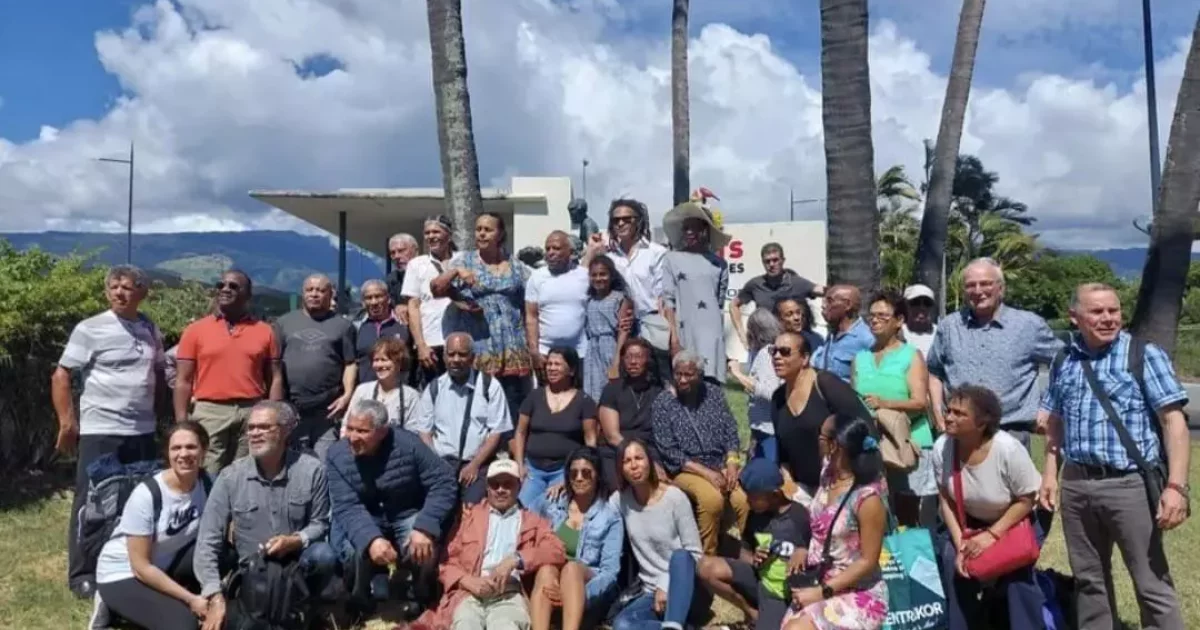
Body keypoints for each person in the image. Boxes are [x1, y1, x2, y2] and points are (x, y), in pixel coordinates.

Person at [1039, 283, 1190, 630]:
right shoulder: (1064, 359)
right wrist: (1050, 474)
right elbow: (1054, 421)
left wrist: (1176, 486)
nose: (1108, 318)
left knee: (1151, 582)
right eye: (1097, 312)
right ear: (1074, 317)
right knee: (1089, 581)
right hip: (1077, 484)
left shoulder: (1142, 354)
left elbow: (1174, 423)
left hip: (1129, 485)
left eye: (1114, 310)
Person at [53, 265, 166, 598]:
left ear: (142, 292)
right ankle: (83, 574)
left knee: (136, 501)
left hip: (142, 430)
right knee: (92, 501)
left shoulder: (149, 328)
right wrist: (67, 422)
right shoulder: (90, 328)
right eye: (114, 287)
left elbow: (158, 373)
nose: (119, 292)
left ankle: (125, 565)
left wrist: (158, 416)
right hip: (101, 428)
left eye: (127, 287)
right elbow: (61, 376)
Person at [193, 401, 338, 630]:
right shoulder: (230, 477)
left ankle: (310, 608)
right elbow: (207, 541)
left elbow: (320, 523)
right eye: (251, 428)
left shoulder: (312, 470)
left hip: (298, 562)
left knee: (324, 555)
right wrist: (215, 596)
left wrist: (295, 540)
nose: (255, 433)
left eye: (264, 427)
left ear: (284, 430)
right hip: (252, 570)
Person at [325, 398, 459, 615]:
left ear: (382, 431)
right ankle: (360, 597)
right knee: (352, 549)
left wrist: (425, 526)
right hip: (365, 514)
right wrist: (371, 538)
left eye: (362, 431)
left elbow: (443, 482)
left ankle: (421, 594)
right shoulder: (336, 455)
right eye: (350, 428)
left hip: (405, 511)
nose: (352, 437)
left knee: (425, 547)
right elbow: (346, 505)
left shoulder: (409, 444)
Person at [933, 386, 1044, 629]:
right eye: (948, 410)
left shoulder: (1008, 449)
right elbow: (946, 499)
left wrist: (991, 536)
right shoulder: (942, 447)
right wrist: (960, 541)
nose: (949, 417)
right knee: (953, 561)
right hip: (968, 524)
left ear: (982, 423)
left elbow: (1027, 499)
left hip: (1014, 521)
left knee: (1017, 579)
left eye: (959, 414)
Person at [412, 456, 567, 630]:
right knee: (466, 625)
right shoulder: (469, 518)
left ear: (519, 486)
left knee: (505, 626)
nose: (500, 490)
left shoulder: (533, 521)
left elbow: (557, 550)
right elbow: (446, 563)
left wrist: (516, 559)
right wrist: (467, 580)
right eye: (495, 484)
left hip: (508, 595)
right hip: (469, 594)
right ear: (487, 488)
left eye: (507, 484)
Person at [925, 257, 1063, 449]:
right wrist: (939, 416)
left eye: (986, 284)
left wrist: (1049, 406)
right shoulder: (949, 326)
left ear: (1001, 288)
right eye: (970, 285)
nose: (978, 291)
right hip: (959, 434)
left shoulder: (1028, 325)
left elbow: (1066, 363)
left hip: (1012, 433)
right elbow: (934, 371)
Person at [92, 422, 210, 630]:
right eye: (176, 448)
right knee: (185, 625)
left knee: (224, 553)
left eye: (191, 447)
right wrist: (191, 599)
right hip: (124, 571)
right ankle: (108, 601)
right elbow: (141, 568)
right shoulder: (148, 494)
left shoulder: (207, 483)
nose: (184, 454)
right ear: (168, 454)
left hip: (165, 561)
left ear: (204, 450)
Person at [781, 413, 888, 630]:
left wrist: (822, 592)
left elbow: (867, 562)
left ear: (834, 446)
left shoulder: (867, 498)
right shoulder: (828, 473)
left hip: (857, 592)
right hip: (819, 579)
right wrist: (804, 548)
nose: (816, 440)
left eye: (820, 436)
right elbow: (821, 524)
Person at [175, 270, 284, 475]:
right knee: (208, 472)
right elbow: (183, 380)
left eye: (233, 286)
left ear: (248, 295)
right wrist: (182, 423)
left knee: (248, 472)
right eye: (221, 285)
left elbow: (275, 376)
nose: (225, 289)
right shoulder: (195, 330)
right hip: (210, 411)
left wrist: (274, 414)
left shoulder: (265, 331)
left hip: (252, 410)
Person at [432, 212, 533, 420]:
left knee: (513, 400)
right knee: (482, 397)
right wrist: (457, 272)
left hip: (513, 344)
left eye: (488, 230)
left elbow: (532, 299)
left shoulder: (515, 265)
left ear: (500, 234)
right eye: (478, 229)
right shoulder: (465, 261)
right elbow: (436, 289)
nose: (482, 234)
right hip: (480, 342)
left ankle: (511, 445)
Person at [851, 290, 934, 528]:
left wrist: (884, 404)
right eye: (872, 315)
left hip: (906, 447)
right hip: (872, 447)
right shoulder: (861, 358)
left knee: (910, 519)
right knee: (877, 515)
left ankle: (916, 564)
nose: (874, 320)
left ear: (899, 321)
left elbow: (920, 402)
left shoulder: (911, 356)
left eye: (883, 316)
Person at [698, 458, 812, 630]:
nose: (747, 502)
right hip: (762, 581)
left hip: (783, 592)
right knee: (706, 567)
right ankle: (753, 613)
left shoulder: (799, 517)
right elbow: (745, 548)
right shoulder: (755, 515)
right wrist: (754, 557)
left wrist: (804, 551)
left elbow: (819, 556)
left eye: (753, 497)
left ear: (774, 494)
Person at [652, 351, 747, 555]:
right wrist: (706, 473)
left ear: (700, 375)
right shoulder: (663, 403)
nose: (683, 380)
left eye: (689, 375)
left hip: (719, 464)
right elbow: (669, 451)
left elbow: (730, 429)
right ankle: (706, 557)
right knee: (712, 499)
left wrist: (731, 463)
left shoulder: (713, 393)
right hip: (687, 469)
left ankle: (749, 554)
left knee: (743, 500)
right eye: (678, 374)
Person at [610, 439, 704, 630]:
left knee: (681, 555)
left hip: (683, 585)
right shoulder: (621, 500)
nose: (634, 465)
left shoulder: (675, 498)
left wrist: (666, 583)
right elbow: (597, 516)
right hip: (649, 591)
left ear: (650, 462)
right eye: (627, 461)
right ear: (621, 469)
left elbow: (694, 553)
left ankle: (674, 623)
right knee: (622, 625)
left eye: (639, 458)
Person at [410, 332, 513, 503]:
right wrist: (436, 462)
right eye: (451, 354)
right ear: (444, 357)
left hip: (477, 464)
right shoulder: (434, 388)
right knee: (439, 509)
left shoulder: (490, 386)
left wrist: (475, 465)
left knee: (471, 511)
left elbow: (496, 432)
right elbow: (424, 431)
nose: (456, 359)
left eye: (462, 354)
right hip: (442, 463)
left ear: (472, 357)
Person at [771, 332, 872, 506]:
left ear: (804, 358)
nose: (777, 357)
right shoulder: (778, 398)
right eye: (773, 351)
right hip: (802, 490)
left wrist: (848, 481)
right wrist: (788, 481)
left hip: (841, 485)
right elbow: (783, 451)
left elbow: (864, 428)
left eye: (785, 351)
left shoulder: (826, 384)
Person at [531, 448, 624, 630]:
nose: (579, 478)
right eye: (573, 473)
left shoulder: (610, 516)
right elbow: (524, 517)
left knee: (572, 569)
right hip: (553, 583)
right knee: (546, 570)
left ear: (597, 475)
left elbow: (609, 572)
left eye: (586, 473)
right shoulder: (553, 503)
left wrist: (575, 594)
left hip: (589, 588)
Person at [274, 273, 357, 458]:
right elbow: (275, 365)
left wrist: (347, 395)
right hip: (293, 409)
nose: (314, 294)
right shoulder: (284, 323)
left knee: (325, 463)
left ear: (330, 294)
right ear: (303, 293)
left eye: (320, 290)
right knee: (293, 463)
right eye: (310, 290)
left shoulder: (343, 326)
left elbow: (350, 363)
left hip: (327, 410)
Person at [512, 347, 599, 514]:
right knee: (521, 510)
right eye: (549, 364)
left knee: (554, 508)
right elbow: (520, 432)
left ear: (572, 370)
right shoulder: (534, 397)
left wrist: (572, 478)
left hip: (563, 470)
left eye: (557, 364)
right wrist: (519, 465)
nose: (551, 368)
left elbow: (590, 440)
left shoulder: (584, 401)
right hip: (533, 470)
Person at [661, 200, 731, 383]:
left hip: (711, 332)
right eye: (686, 228)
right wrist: (674, 338)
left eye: (695, 227)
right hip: (684, 331)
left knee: (710, 383)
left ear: (706, 230)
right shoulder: (671, 259)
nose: (690, 232)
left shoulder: (719, 265)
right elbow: (668, 301)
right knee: (684, 381)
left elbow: (719, 302)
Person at [606, 198, 671, 382]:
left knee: (657, 382)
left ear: (639, 220)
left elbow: (663, 295)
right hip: (619, 330)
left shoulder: (656, 253)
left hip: (651, 328)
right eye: (616, 219)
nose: (620, 223)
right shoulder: (608, 257)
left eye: (627, 219)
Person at [597, 338, 666, 489]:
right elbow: (612, 436)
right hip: (618, 450)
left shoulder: (659, 392)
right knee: (619, 486)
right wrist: (637, 457)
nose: (633, 361)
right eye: (628, 357)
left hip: (651, 451)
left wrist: (649, 459)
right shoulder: (612, 390)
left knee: (661, 486)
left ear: (648, 360)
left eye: (638, 356)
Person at [730, 243, 825, 351]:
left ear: (782, 260)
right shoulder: (755, 284)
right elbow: (734, 305)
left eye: (775, 260)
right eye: (767, 261)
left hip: (791, 346)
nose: (771, 264)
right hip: (765, 346)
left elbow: (821, 290)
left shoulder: (796, 282)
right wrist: (742, 337)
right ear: (763, 262)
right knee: (760, 316)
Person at [401, 216, 459, 387]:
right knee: (432, 394)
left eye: (436, 232)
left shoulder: (463, 260)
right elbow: (413, 306)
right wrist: (420, 345)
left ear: (448, 235)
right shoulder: (416, 265)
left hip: (459, 342)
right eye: (427, 233)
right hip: (431, 343)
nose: (430, 236)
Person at [525, 231, 591, 376]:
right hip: (545, 354)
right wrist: (534, 351)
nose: (551, 252)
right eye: (548, 249)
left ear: (570, 252)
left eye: (556, 248)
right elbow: (531, 316)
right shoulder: (537, 277)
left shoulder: (585, 275)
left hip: (579, 353)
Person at [729, 308, 784, 462]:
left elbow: (770, 393)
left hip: (768, 429)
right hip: (762, 427)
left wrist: (737, 374)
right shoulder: (769, 351)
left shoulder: (766, 354)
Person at [583, 254, 633, 402]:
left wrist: (617, 360)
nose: (598, 278)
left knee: (612, 388)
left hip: (611, 347)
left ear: (611, 276)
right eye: (594, 275)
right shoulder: (589, 300)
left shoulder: (620, 298)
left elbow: (623, 331)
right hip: (592, 350)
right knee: (593, 391)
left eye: (603, 274)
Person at [346, 337, 420, 431]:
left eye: (384, 360)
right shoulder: (362, 391)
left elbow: (413, 433)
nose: (379, 365)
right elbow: (347, 424)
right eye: (376, 360)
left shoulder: (411, 396)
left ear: (399, 363)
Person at [810, 285, 874, 384]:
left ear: (847, 305)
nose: (823, 305)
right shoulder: (832, 335)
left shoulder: (867, 339)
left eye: (830, 301)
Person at [354, 279, 411, 384]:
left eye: (378, 296)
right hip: (366, 393)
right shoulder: (356, 328)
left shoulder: (404, 323)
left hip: (398, 392)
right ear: (363, 302)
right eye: (369, 298)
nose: (374, 302)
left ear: (388, 298)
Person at [775, 297, 824, 366]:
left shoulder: (815, 340)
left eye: (798, 313)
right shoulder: (773, 344)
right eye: (789, 314)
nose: (797, 318)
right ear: (779, 319)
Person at [386, 232, 420, 321]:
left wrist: (409, 308)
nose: (396, 256)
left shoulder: (429, 273)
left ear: (415, 251)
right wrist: (396, 307)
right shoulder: (391, 280)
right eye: (392, 253)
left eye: (401, 251)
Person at [901, 284, 937, 357]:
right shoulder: (895, 333)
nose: (922, 307)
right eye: (915, 302)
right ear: (906, 305)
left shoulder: (940, 334)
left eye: (927, 303)